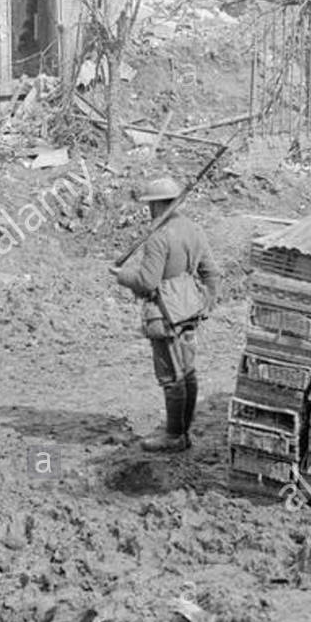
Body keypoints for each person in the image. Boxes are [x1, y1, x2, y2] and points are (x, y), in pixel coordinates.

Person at [114, 178, 221, 453]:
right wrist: (206, 303)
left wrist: (123, 276)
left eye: (151, 204)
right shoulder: (192, 229)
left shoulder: (158, 237)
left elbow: (148, 282)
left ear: (161, 204)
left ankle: (174, 437)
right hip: (189, 309)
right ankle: (183, 431)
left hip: (164, 313)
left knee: (171, 377)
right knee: (187, 372)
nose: (149, 210)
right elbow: (210, 273)